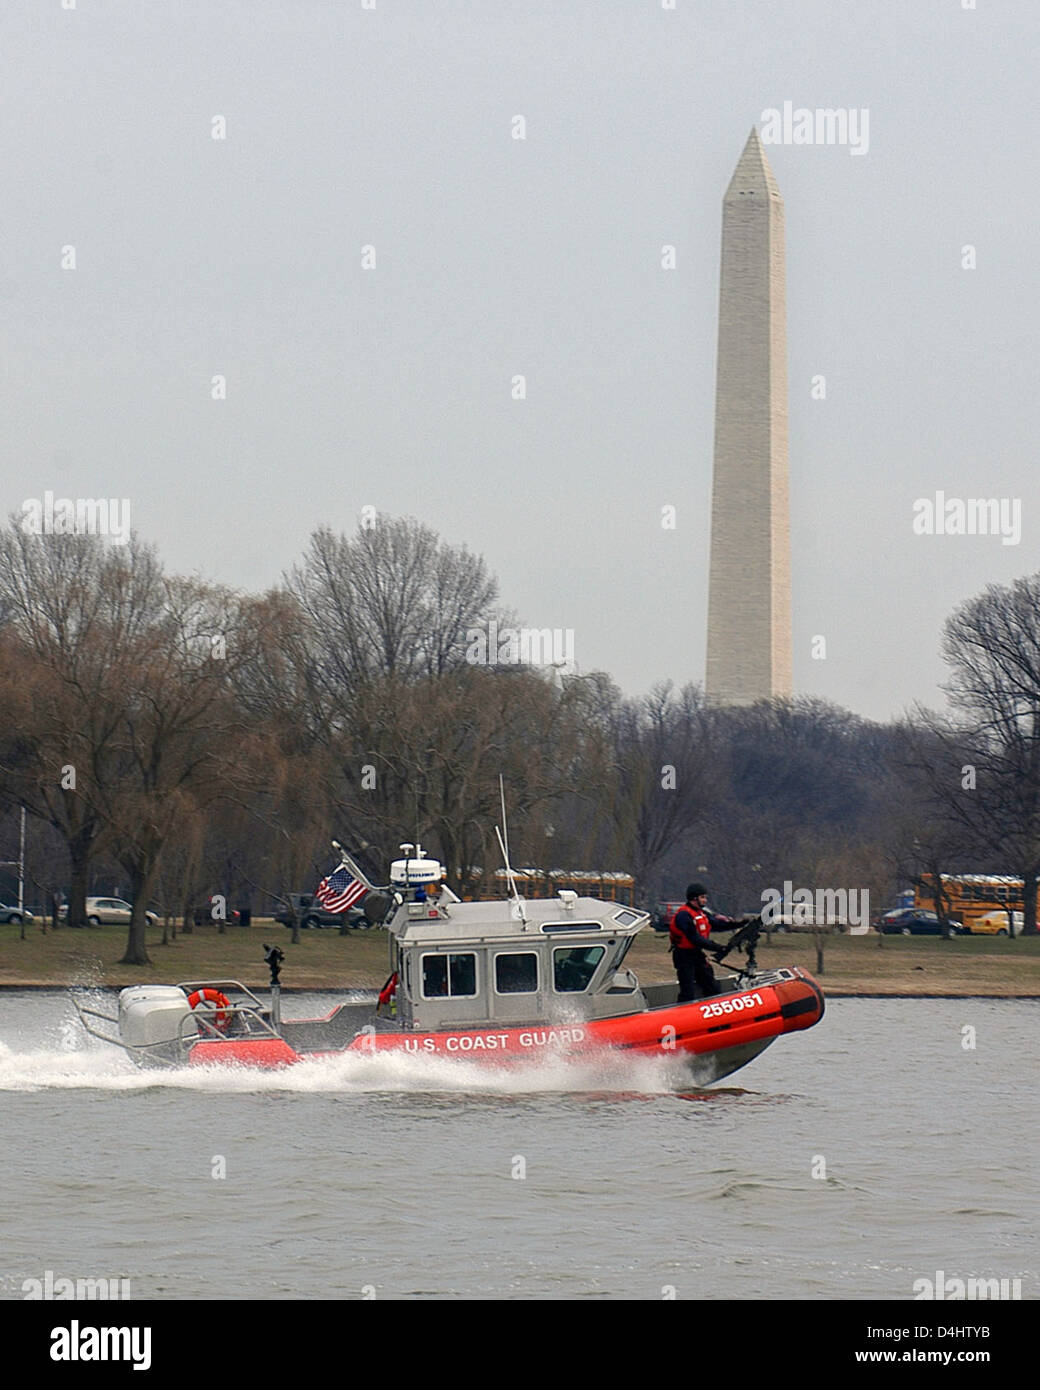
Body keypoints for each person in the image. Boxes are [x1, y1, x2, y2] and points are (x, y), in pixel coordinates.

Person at [669, 882, 743, 1002]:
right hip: (684, 956)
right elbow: (695, 939)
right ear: (694, 898)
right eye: (703, 897)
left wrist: (740, 924)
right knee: (687, 990)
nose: (705, 900)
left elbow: (718, 925)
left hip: (696, 954)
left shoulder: (702, 913)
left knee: (710, 984)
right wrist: (718, 947)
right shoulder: (683, 915)